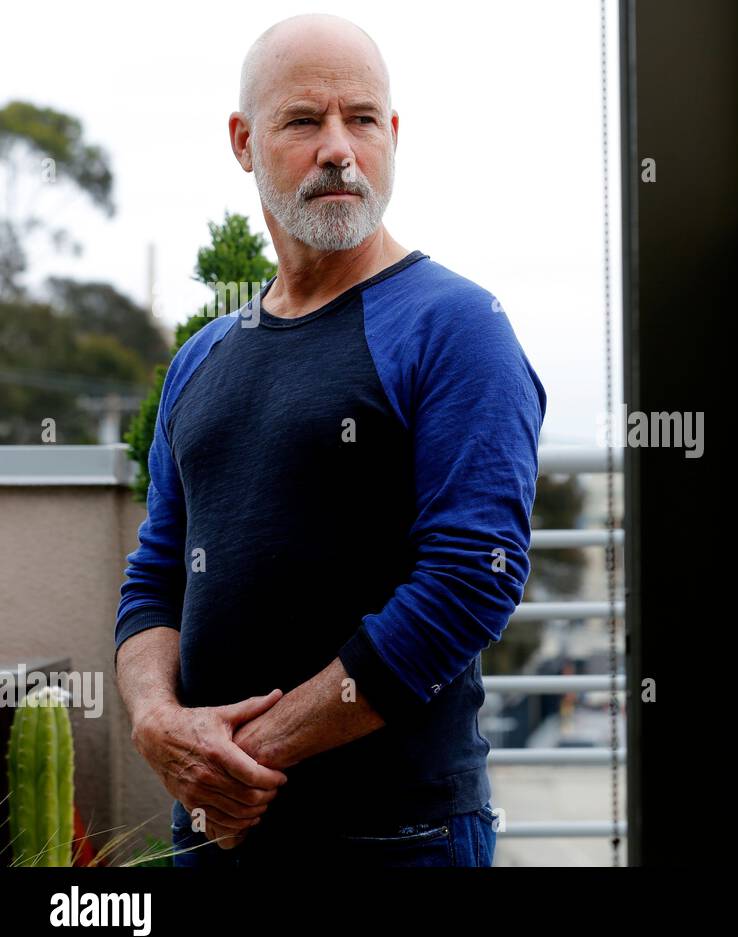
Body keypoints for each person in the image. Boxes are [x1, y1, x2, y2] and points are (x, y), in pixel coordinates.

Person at [113, 12, 544, 867]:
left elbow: (470, 581)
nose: (339, 148)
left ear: (394, 134)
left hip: (397, 840)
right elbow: (155, 576)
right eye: (305, 121)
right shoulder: (202, 358)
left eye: (363, 119)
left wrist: (243, 758)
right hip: (210, 839)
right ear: (243, 141)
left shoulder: (457, 326)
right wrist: (158, 724)